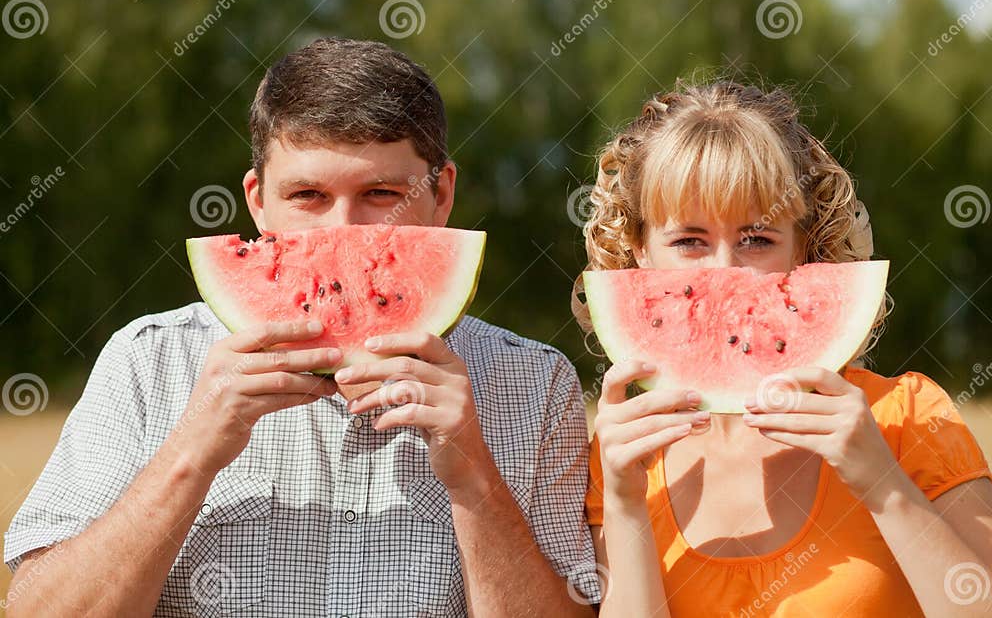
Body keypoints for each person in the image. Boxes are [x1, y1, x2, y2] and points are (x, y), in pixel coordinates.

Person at [4, 38, 599, 617]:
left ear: (440, 194)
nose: (342, 230)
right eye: (308, 195)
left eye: (381, 193)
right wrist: (192, 452)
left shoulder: (533, 383)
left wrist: (473, 477)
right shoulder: (148, 363)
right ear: (258, 201)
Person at [573, 80, 992, 616]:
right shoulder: (622, 454)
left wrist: (882, 483)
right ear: (639, 250)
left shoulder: (904, 419)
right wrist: (627, 505)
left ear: (803, 249)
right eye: (688, 241)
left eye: (756, 239)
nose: (724, 270)